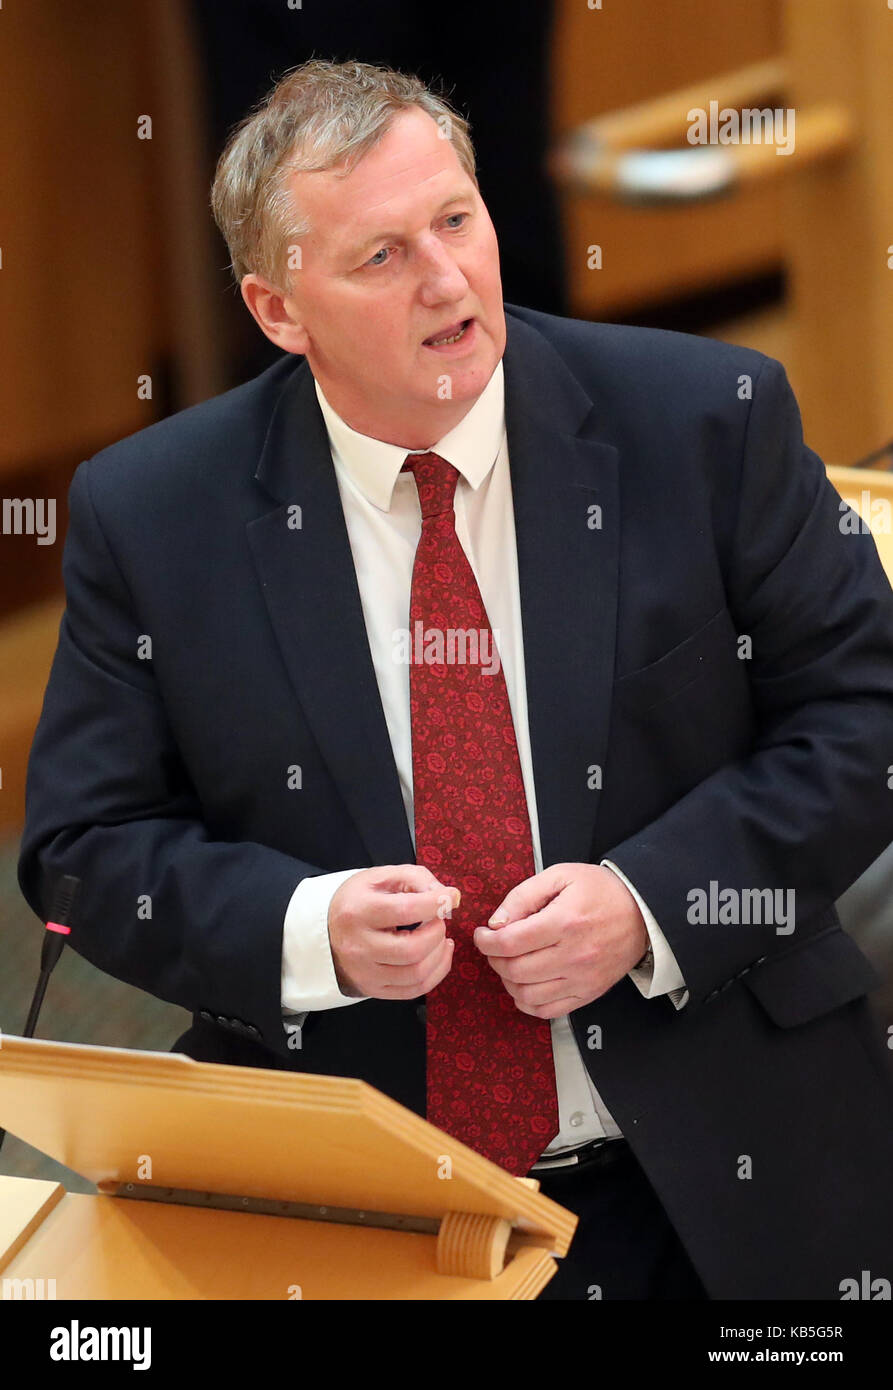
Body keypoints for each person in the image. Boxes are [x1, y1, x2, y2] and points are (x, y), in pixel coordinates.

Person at [18, 60, 893, 1300]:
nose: (445, 280)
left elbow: (863, 717)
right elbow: (82, 851)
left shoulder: (703, 419)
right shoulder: (156, 513)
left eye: (455, 220)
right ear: (279, 311)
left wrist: (646, 904)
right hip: (371, 1197)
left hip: (726, 1150)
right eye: (379, 257)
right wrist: (309, 929)